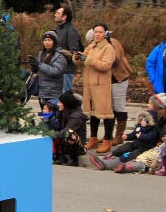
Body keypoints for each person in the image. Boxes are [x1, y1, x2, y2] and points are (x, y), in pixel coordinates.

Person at [73, 24, 116, 153]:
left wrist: (88, 59)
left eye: (100, 32)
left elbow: (105, 66)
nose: (97, 34)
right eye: (95, 32)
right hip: (90, 84)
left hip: (101, 85)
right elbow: (83, 59)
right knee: (93, 113)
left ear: (105, 34)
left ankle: (108, 140)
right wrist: (77, 57)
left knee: (106, 113)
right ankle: (93, 138)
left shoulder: (108, 48)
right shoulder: (91, 45)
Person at [28, 30, 67, 107]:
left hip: (53, 93)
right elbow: (39, 69)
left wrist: (39, 65)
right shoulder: (41, 53)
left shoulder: (59, 56)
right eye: (45, 40)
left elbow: (56, 71)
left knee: (53, 117)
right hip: (42, 91)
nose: (47, 42)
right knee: (45, 115)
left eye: (49, 40)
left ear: (54, 42)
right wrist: (34, 67)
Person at [108, 33, 133, 145]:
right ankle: (108, 135)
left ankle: (119, 135)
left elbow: (116, 59)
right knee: (110, 108)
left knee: (119, 107)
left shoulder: (113, 43)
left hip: (119, 78)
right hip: (106, 80)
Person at [53, 5, 81, 92]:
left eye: (57, 13)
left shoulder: (71, 30)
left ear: (64, 17)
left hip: (66, 71)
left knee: (65, 96)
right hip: (56, 69)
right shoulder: (57, 28)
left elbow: (74, 52)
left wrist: (60, 56)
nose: (55, 15)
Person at [55, 91, 86, 165]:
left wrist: (52, 134)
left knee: (69, 133)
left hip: (78, 146)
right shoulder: (64, 111)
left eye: (60, 102)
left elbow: (67, 131)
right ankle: (60, 156)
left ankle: (73, 159)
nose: (57, 104)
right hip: (65, 143)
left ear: (66, 104)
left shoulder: (76, 116)